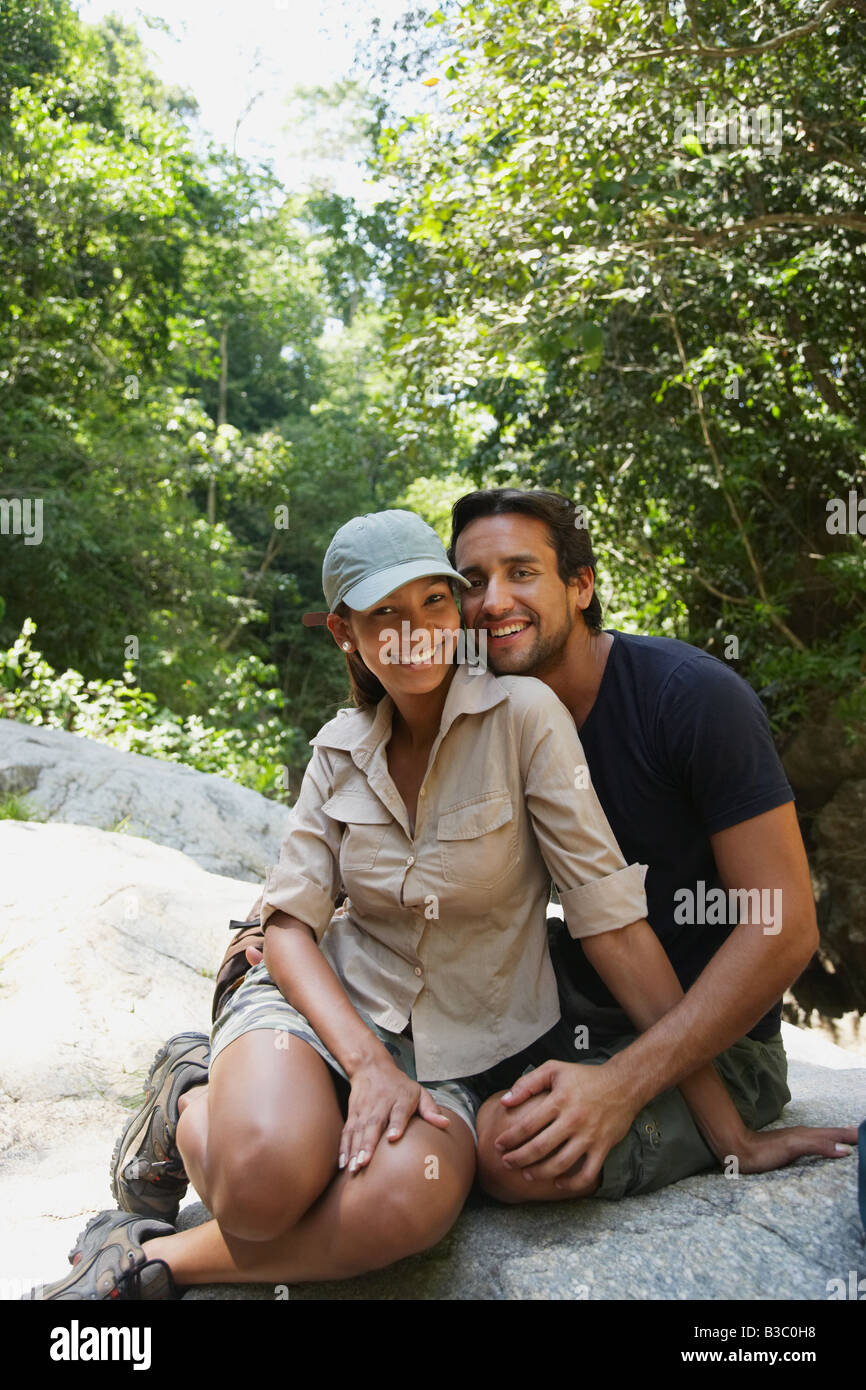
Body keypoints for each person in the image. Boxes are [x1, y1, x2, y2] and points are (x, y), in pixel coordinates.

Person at [31, 507, 683, 1298]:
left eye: (434, 602)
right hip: (317, 1010)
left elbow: (608, 915)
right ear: (347, 633)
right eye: (385, 614)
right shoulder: (339, 750)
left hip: (463, 1051)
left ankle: (143, 1261)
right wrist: (367, 1067)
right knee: (263, 1186)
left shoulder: (525, 719)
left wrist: (730, 1134)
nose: (416, 631)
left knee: (415, 1199)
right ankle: (190, 1094)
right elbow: (289, 930)